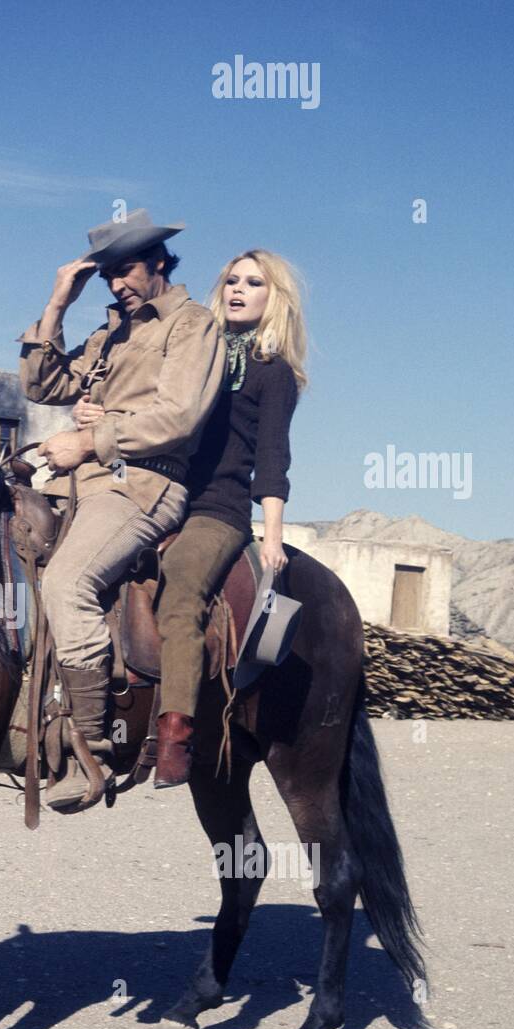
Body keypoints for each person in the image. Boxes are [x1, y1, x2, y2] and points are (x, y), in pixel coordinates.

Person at [18, 210, 225, 811]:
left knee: (69, 581)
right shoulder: (110, 333)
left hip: (140, 485)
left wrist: (91, 437)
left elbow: (179, 416)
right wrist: (57, 305)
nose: (117, 285)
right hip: (76, 482)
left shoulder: (191, 326)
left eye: (125, 271)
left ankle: (91, 751)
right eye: (106, 276)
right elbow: (42, 385)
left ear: (159, 261)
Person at [153, 248, 308, 787]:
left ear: (275, 300)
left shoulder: (273, 374)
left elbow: (272, 458)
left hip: (216, 509)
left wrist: (271, 535)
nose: (238, 290)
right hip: (154, 492)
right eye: (232, 280)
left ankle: (174, 733)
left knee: (181, 587)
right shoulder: (195, 352)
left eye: (254, 283)